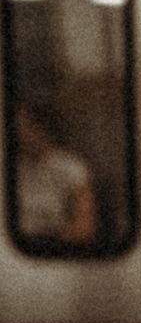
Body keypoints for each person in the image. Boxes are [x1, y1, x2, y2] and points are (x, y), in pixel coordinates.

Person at [11, 98, 99, 248]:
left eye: (22, 126)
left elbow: (85, 228)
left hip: (49, 250)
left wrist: (46, 240)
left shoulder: (72, 169)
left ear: (39, 129)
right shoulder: (14, 168)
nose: (16, 132)